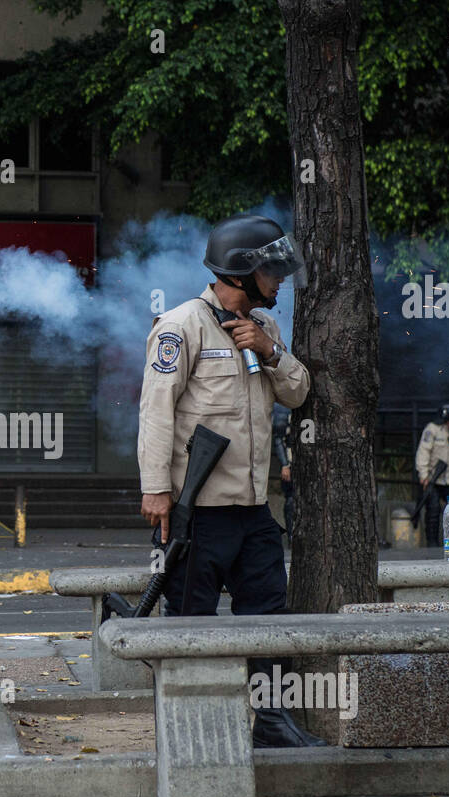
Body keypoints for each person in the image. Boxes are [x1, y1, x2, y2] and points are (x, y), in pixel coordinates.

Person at [137, 212, 323, 748]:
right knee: (192, 624)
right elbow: (155, 412)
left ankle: (272, 722)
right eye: (272, 272)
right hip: (198, 513)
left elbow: (298, 393)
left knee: (268, 615)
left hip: (254, 509)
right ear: (240, 274)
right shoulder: (180, 327)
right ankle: (190, 732)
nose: (280, 280)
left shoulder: (266, 329)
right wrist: (155, 489)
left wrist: (269, 354)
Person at [414, 402, 449, 548]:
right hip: (434, 478)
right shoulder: (432, 430)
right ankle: (432, 544)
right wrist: (423, 474)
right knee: (433, 510)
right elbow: (423, 452)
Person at [271, 403, 295, 542]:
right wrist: (285, 464)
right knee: (291, 499)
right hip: (290, 461)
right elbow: (279, 438)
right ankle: (291, 534)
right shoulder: (283, 409)